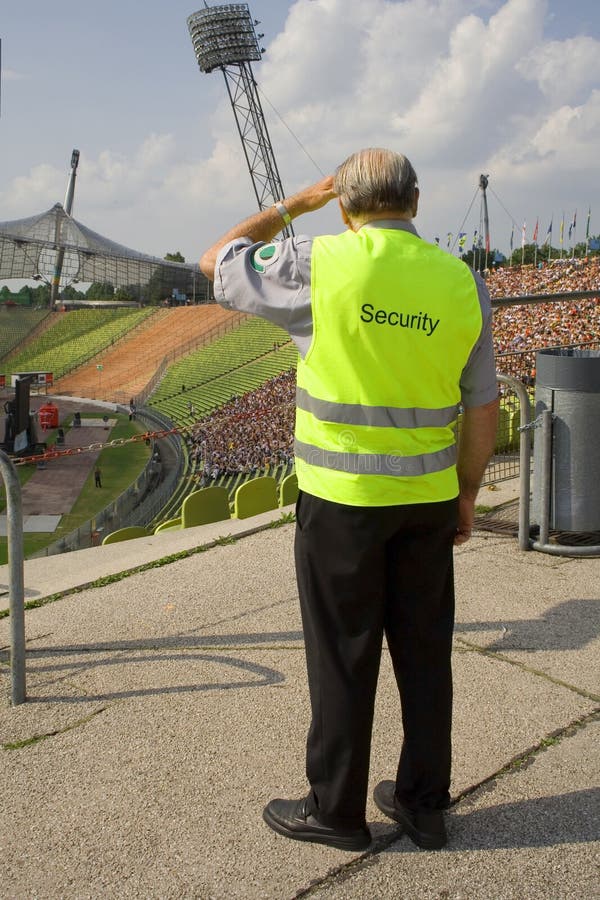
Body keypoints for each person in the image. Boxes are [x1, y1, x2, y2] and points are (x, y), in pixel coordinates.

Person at [200, 148, 499, 852]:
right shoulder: (463, 282)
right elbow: (482, 404)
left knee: (343, 654)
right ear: (417, 202)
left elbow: (217, 258)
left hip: (341, 501)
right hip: (427, 500)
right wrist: (466, 497)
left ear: (344, 205)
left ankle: (336, 811)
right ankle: (425, 805)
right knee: (426, 655)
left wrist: (293, 206)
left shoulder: (319, 260)